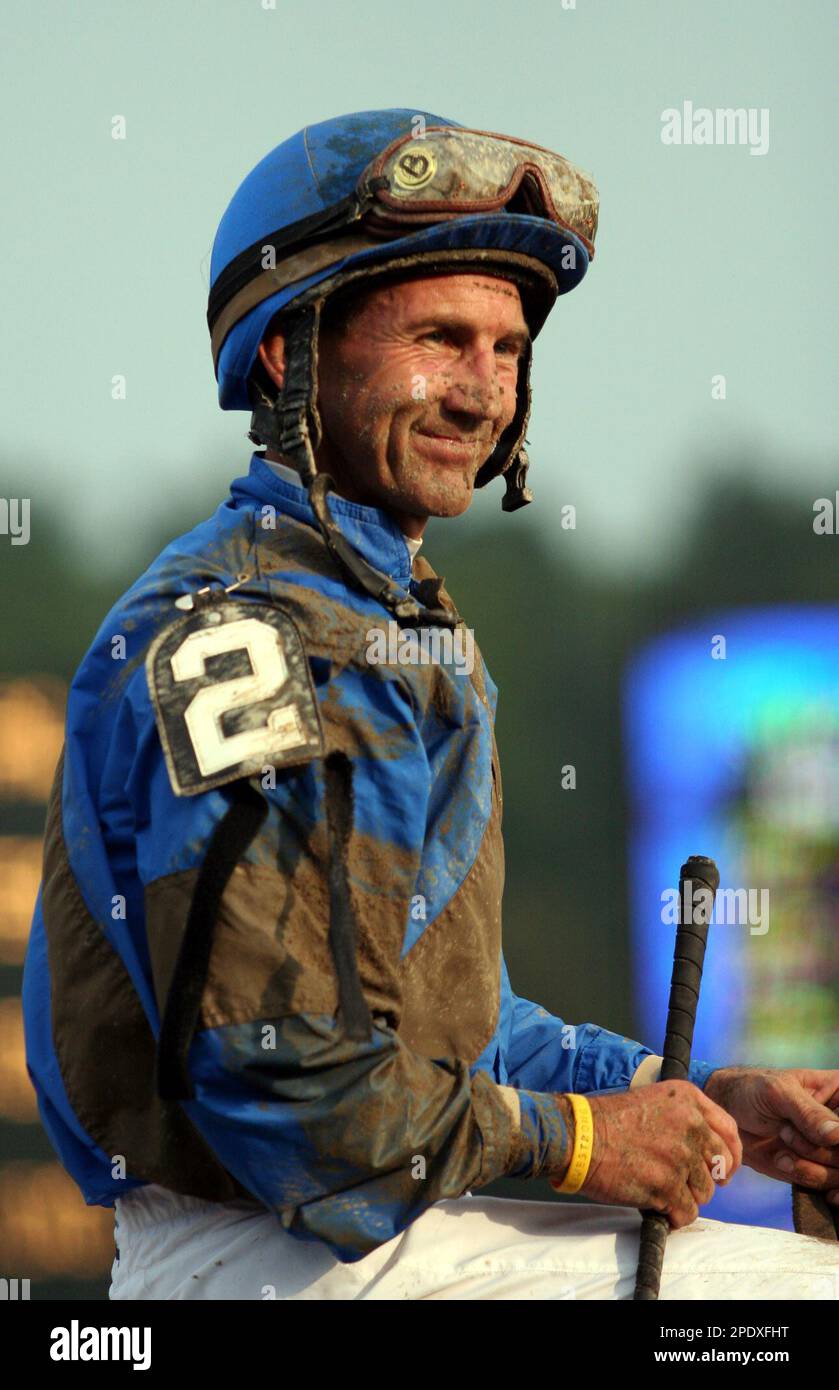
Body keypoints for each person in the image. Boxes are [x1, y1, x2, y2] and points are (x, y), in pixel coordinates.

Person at [23, 108, 839, 1301]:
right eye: (439, 339)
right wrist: (586, 1142)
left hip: (394, 1235)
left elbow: (446, 1041)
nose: (482, 389)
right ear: (285, 355)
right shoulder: (248, 640)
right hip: (282, 1254)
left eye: (506, 348)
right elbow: (289, 1093)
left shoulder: (384, 620)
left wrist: (702, 1103)